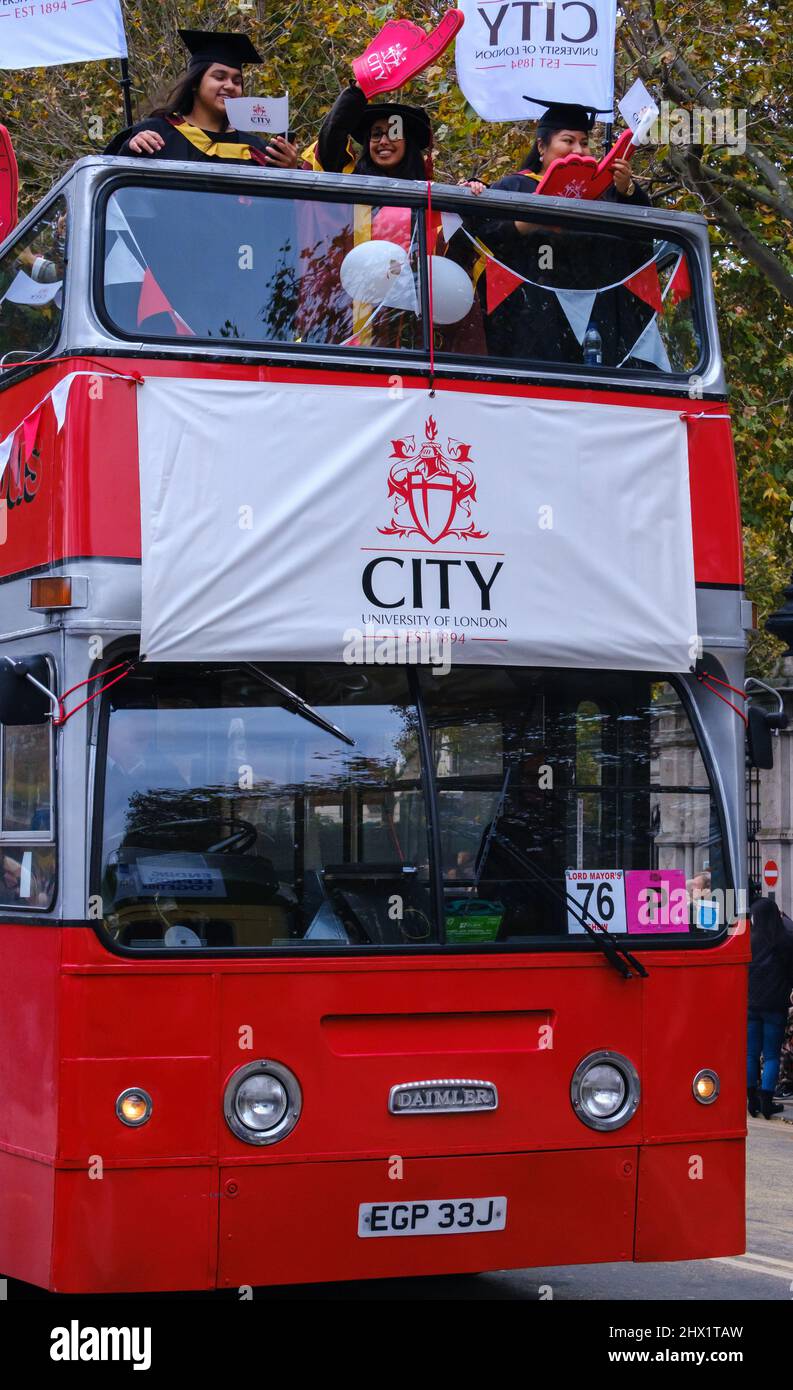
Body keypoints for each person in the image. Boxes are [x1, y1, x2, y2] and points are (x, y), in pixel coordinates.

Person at [461, 103, 655, 367]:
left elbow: (639, 242)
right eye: (568, 141)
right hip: (526, 316)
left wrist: (627, 191)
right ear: (541, 147)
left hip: (595, 317)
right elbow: (482, 238)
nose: (578, 150)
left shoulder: (604, 192)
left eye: (584, 143)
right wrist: (523, 225)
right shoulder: (514, 186)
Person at [104, 30, 298, 169]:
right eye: (219, 77)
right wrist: (130, 150)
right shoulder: (157, 135)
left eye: (237, 81)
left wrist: (291, 170)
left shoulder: (256, 149)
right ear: (196, 83)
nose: (230, 85)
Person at [302, 79, 432, 179]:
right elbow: (333, 135)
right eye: (376, 134)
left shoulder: (428, 195)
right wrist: (361, 88)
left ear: (408, 142)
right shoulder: (353, 182)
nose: (383, 141)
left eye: (394, 132)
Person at [747, 897, 793, 1118]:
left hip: (750, 1004)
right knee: (772, 1054)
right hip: (775, 1005)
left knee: (750, 1054)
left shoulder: (748, 940)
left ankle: (751, 1100)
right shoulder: (784, 940)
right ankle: (767, 1101)